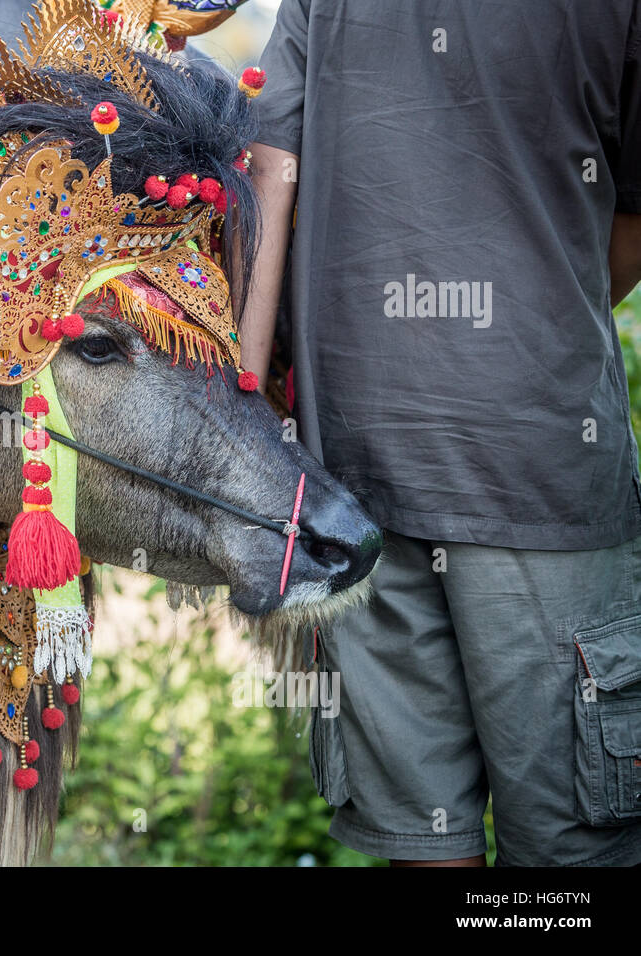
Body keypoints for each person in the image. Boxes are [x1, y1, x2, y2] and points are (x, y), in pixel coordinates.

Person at [242, 0, 641, 865]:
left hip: (359, 482)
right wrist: (534, 324)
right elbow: (628, 233)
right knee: (572, 853)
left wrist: (244, 401)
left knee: (425, 843)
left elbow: (269, 172)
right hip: (541, 466)